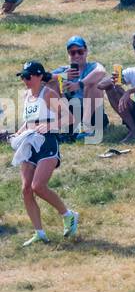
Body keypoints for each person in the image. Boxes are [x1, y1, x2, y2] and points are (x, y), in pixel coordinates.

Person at [14, 61, 78, 246]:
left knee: (38, 186)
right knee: (26, 189)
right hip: (29, 143)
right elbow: (29, 122)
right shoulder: (26, 95)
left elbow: (69, 118)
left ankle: (68, 215)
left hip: (47, 142)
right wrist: (16, 133)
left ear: (39, 76)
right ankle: (39, 232)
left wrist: (49, 125)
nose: (25, 80)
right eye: (23, 77)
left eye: (28, 76)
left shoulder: (48, 94)